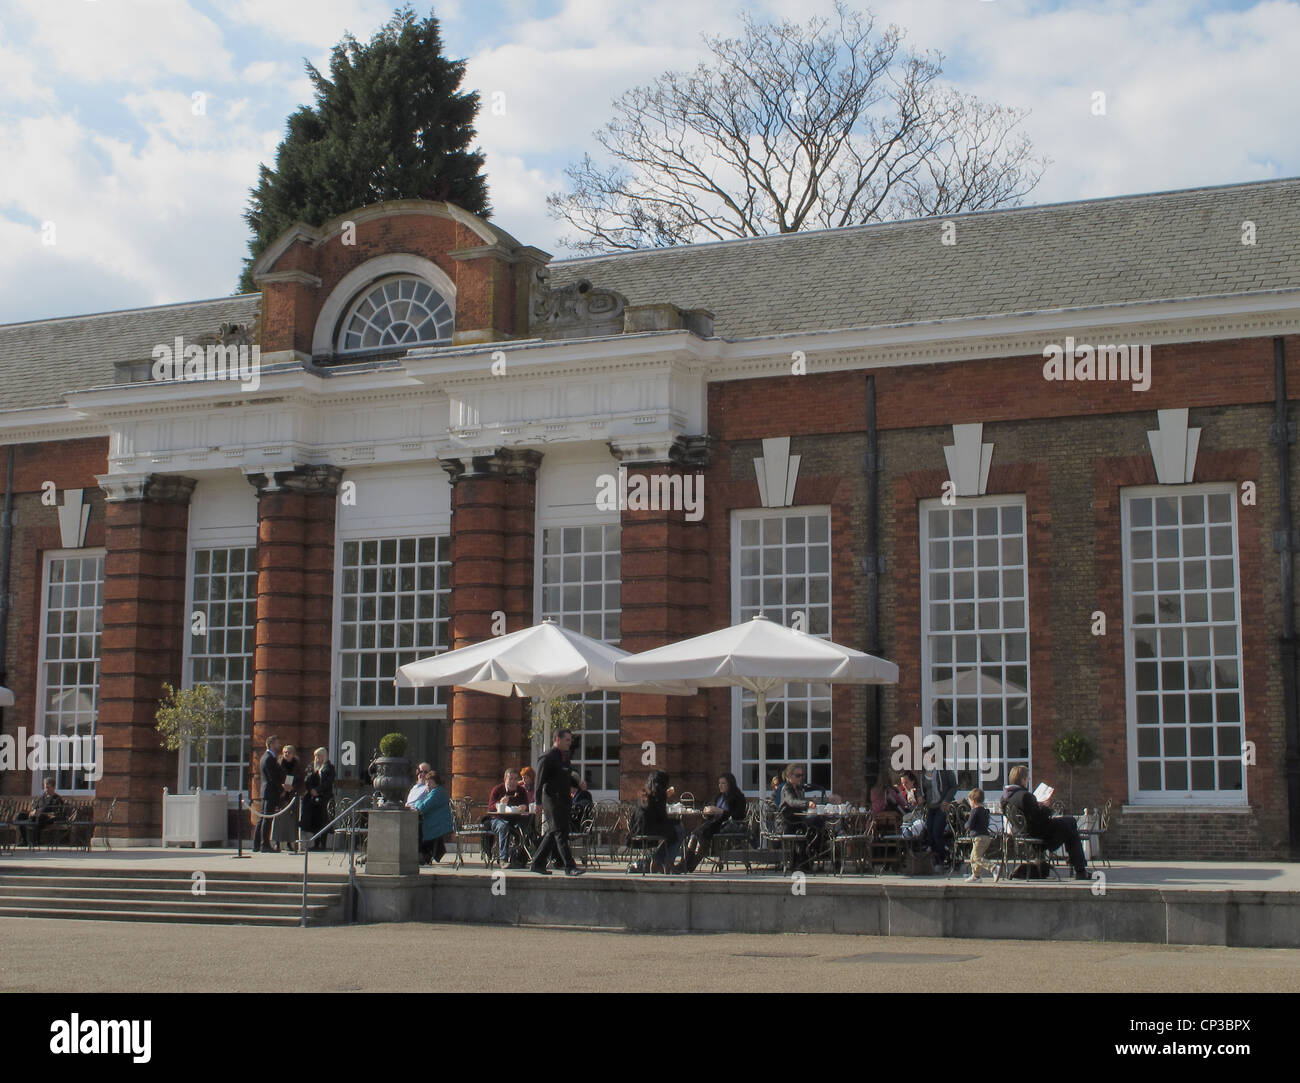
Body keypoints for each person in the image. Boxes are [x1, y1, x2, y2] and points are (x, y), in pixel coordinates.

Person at [1001, 764, 1089, 880]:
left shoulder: (1005, 798)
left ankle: (1078, 867)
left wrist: (1038, 806)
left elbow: (1029, 816)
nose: (1028, 781)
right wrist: (1045, 807)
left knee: (1069, 827)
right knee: (1071, 822)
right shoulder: (1025, 796)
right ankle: (1080, 869)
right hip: (1039, 835)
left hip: (1021, 834)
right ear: (1023, 779)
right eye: (1027, 778)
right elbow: (1039, 819)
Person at [529, 729, 585, 876]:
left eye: (570, 740)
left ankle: (537, 863)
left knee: (553, 832)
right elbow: (539, 781)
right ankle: (569, 866)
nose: (570, 742)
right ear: (558, 740)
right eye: (567, 740)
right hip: (552, 800)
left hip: (564, 800)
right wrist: (538, 802)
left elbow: (566, 775)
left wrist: (577, 783)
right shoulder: (547, 757)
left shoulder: (564, 757)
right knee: (560, 832)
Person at [777, 764, 841, 872]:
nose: (801, 778)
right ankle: (801, 863)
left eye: (802, 776)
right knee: (811, 830)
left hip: (798, 822)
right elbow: (792, 802)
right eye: (798, 775)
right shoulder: (786, 788)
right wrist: (807, 804)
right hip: (787, 824)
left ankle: (810, 860)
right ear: (789, 776)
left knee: (819, 826)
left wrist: (821, 801)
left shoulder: (799, 788)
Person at [682, 773, 747, 872]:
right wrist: (708, 811)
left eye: (723, 783)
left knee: (704, 835)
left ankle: (691, 865)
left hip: (726, 824)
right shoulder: (719, 796)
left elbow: (739, 814)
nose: (720, 785)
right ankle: (685, 863)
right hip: (713, 822)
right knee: (694, 834)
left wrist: (721, 811)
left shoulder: (738, 797)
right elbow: (713, 811)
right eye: (719, 783)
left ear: (730, 784)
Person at [630, 770, 681, 874]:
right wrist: (677, 821)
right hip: (650, 829)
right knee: (679, 830)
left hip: (638, 829)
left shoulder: (643, 793)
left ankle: (659, 860)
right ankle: (666, 861)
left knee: (673, 831)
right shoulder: (659, 794)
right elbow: (662, 818)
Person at [487, 768, 531, 867]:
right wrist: (499, 804)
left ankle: (520, 857)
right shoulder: (498, 789)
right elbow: (490, 807)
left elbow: (526, 805)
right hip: (498, 819)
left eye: (515, 779)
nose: (513, 782)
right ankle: (503, 859)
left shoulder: (521, 790)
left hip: (515, 818)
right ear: (505, 779)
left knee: (526, 825)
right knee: (504, 827)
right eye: (510, 779)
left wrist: (524, 807)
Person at [921, 762, 958, 870]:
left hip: (942, 806)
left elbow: (953, 786)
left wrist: (946, 800)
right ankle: (936, 858)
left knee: (937, 832)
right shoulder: (924, 770)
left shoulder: (945, 769)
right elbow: (920, 786)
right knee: (929, 833)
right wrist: (920, 796)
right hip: (930, 806)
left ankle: (942, 859)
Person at [253, 735, 287, 853]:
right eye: (277, 743)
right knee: (267, 819)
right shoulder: (268, 758)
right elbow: (272, 777)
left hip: (267, 791)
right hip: (270, 791)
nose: (279, 745)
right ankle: (264, 845)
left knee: (262, 818)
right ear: (271, 744)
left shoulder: (269, 757)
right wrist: (281, 789)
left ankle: (256, 845)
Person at [413, 769, 453, 864]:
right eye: (426, 783)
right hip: (436, 821)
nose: (427, 785)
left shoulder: (436, 792)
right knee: (417, 826)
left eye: (429, 783)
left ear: (436, 783)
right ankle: (424, 854)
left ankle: (422, 855)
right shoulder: (436, 791)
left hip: (438, 823)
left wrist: (417, 801)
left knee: (417, 828)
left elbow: (422, 807)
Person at [300, 747, 335, 852]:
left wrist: (318, 790)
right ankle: (315, 843)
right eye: (315, 755)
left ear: (324, 756)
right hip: (313, 799)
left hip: (325, 797)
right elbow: (307, 780)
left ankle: (323, 844)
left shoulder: (329, 767)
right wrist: (311, 789)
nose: (317, 758)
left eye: (319, 755)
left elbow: (328, 782)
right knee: (314, 820)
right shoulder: (312, 766)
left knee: (324, 820)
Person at [17, 777, 64, 847]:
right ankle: (24, 840)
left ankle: (36, 841)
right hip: (35, 816)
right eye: (45, 787)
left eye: (48, 787)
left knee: (39, 817)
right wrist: (32, 813)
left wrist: (43, 814)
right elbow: (34, 808)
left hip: (47, 819)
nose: (46, 789)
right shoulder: (41, 798)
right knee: (20, 816)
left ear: (54, 787)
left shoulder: (57, 799)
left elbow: (57, 813)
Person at [274, 744, 303, 853]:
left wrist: (293, 787)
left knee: (291, 821)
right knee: (278, 819)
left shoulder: (297, 765)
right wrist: (281, 787)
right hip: (281, 795)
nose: (287, 754)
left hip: (292, 795)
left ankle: (289, 843)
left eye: (289, 752)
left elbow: (300, 780)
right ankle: (277, 842)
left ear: (293, 754)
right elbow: (274, 778)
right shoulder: (278, 764)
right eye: (285, 752)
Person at [964, 787, 995, 882]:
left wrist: (965, 825)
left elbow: (970, 824)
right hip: (986, 837)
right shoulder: (985, 811)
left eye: (970, 801)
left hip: (978, 838)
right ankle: (976, 876)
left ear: (973, 801)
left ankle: (993, 867)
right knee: (973, 857)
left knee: (977, 857)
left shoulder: (974, 811)